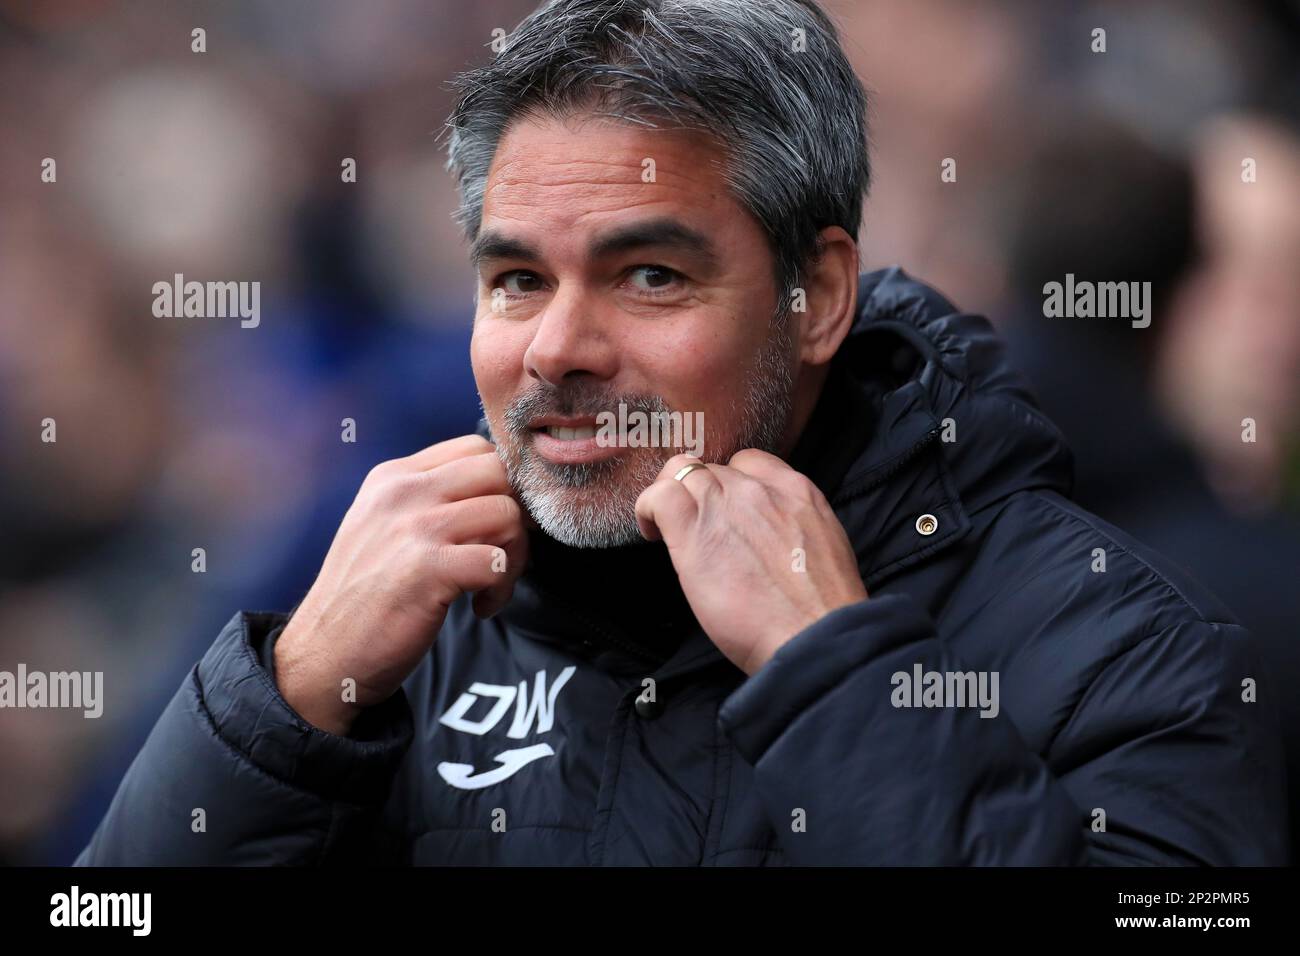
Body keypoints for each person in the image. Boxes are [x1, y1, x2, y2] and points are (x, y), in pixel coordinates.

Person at [76, 0, 1287, 866]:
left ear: (816, 298)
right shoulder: (410, 622)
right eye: (512, 280)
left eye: (648, 274)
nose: (556, 346)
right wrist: (275, 712)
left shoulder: (1120, 643)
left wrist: (842, 677)